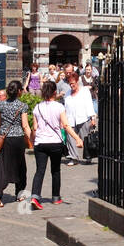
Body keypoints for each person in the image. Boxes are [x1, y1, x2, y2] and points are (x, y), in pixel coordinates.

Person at [30, 80, 82, 209]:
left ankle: (35, 197)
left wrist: (31, 141)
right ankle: (55, 197)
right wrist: (77, 138)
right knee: (55, 170)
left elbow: (35, 128)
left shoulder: (37, 107)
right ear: (55, 92)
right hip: (55, 143)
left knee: (39, 171)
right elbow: (65, 125)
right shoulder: (59, 107)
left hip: (40, 143)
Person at [0, 79, 31, 208]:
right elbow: (25, 125)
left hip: (5, 138)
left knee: (1, 167)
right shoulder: (22, 106)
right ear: (19, 92)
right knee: (20, 166)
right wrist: (32, 139)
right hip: (17, 139)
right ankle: (19, 193)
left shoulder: (1, 105)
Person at [63, 72, 96, 164]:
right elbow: (65, 107)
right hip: (70, 120)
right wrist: (63, 120)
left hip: (83, 118)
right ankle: (74, 158)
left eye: (73, 83)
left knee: (86, 138)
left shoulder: (84, 91)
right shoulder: (67, 94)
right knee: (71, 139)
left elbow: (89, 104)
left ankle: (88, 156)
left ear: (77, 82)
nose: (71, 85)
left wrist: (92, 118)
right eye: (70, 83)